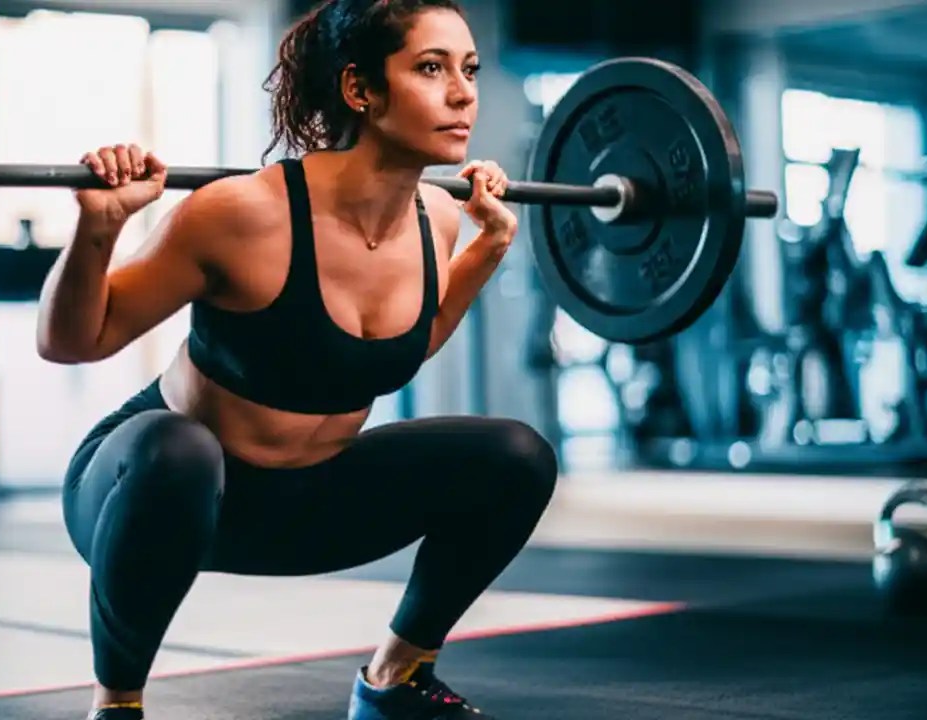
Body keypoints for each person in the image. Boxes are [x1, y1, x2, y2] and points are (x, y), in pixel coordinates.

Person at [36, 1, 557, 718]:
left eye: (467, 69)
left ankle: (394, 681)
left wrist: (487, 250)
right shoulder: (242, 215)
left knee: (515, 456)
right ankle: (116, 705)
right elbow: (72, 342)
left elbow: (393, 347)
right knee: (179, 449)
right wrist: (97, 229)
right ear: (360, 90)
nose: (464, 92)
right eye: (431, 68)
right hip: (155, 497)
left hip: (303, 505)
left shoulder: (437, 220)